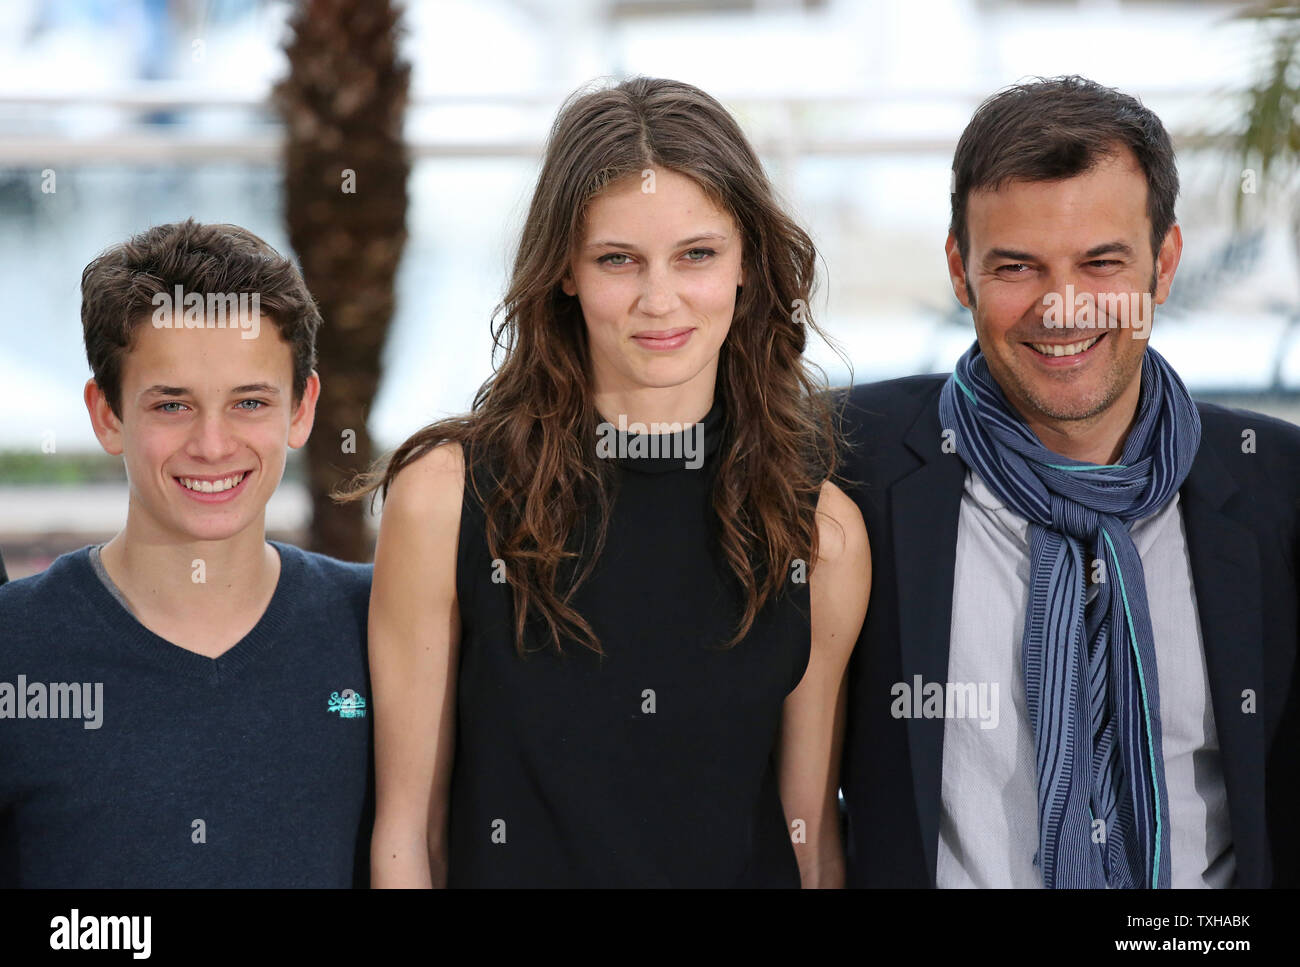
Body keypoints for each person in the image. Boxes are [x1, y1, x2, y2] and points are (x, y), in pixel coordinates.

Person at [355, 76, 870, 888]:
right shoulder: (446, 499)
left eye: (696, 254)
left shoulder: (820, 531)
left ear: (746, 264)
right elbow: (406, 836)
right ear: (564, 270)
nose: (659, 300)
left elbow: (811, 845)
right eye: (618, 260)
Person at [838, 75, 1300, 889]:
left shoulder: (1280, 489)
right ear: (959, 269)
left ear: (1164, 264)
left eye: (1102, 262)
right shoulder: (844, 462)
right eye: (1016, 266)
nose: (1063, 307)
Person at [0, 219, 374, 887]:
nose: (211, 444)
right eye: (172, 404)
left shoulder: (377, 627)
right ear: (107, 414)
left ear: (301, 408)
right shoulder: (15, 647)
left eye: (249, 402)